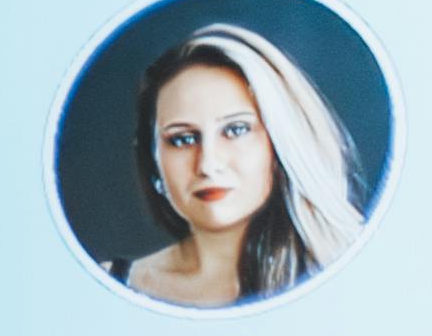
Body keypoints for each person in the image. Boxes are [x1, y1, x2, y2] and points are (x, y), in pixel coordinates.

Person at [113, 25, 364, 309]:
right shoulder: (106, 284)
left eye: (235, 130)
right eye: (183, 139)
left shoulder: (350, 275)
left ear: (281, 144)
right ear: (154, 162)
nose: (208, 164)